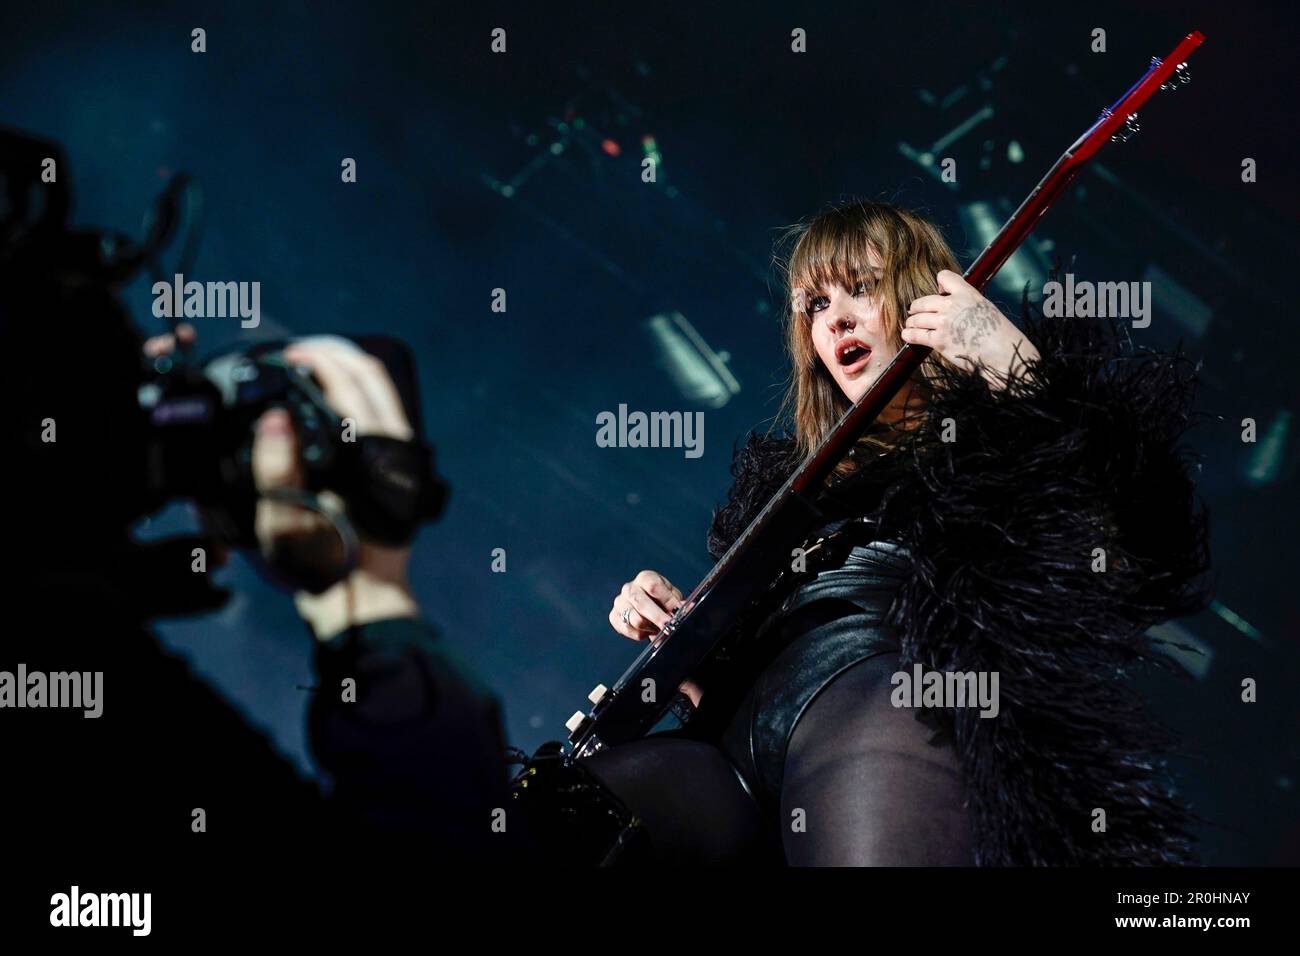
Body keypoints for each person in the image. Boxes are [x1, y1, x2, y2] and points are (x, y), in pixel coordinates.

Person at [582, 199, 1211, 866]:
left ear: (925, 299)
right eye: (815, 304)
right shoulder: (785, 488)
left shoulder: (998, 441)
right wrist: (680, 642)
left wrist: (1018, 372)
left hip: (877, 699)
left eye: (862, 287)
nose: (837, 318)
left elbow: (1144, 547)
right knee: (552, 821)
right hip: (733, 744)